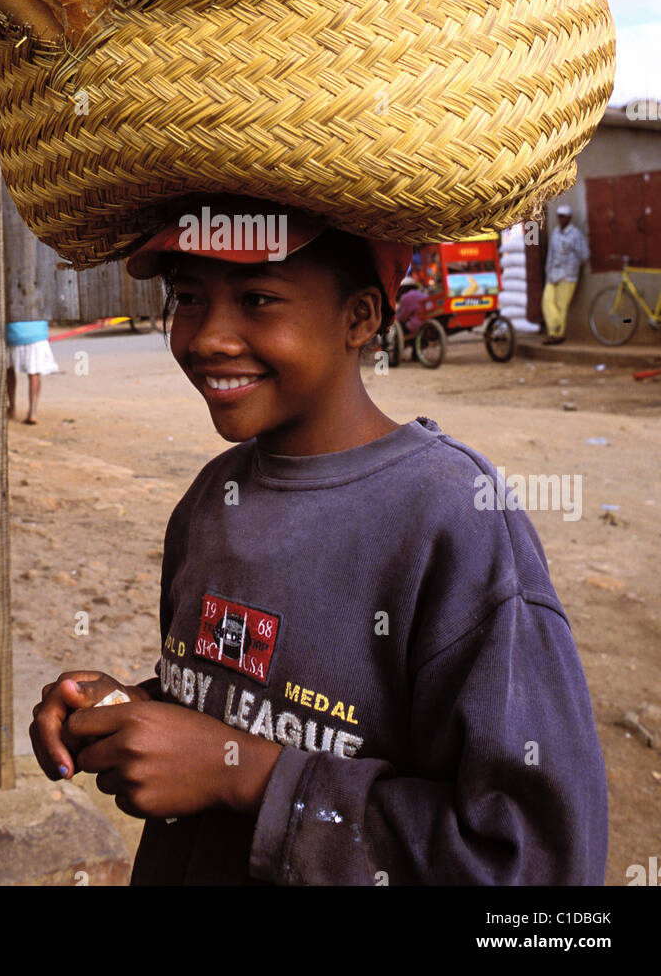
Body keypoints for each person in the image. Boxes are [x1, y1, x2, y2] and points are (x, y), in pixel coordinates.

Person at [29, 194, 607, 886]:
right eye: (188, 297)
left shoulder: (454, 522)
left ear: (359, 317)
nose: (209, 336)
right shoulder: (212, 500)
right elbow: (252, 702)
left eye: (258, 299)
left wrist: (241, 775)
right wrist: (136, 710)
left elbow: (533, 859)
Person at [542, 203, 590, 345]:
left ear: (569, 218)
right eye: (559, 217)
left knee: (561, 305)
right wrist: (548, 270)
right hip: (553, 274)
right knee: (547, 301)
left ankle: (557, 334)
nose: (561, 219)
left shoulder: (575, 235)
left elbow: (584, 255)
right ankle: (554, 327)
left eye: (564, 217)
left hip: (568, 275)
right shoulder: (556, 232)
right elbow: (551, 253)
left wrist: (573, 257)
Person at [5, 318, 59, 424]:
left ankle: (12, 408)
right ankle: (32, 412)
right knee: (34, 373)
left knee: (9, 371)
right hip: (37, 333)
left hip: (13, 331)